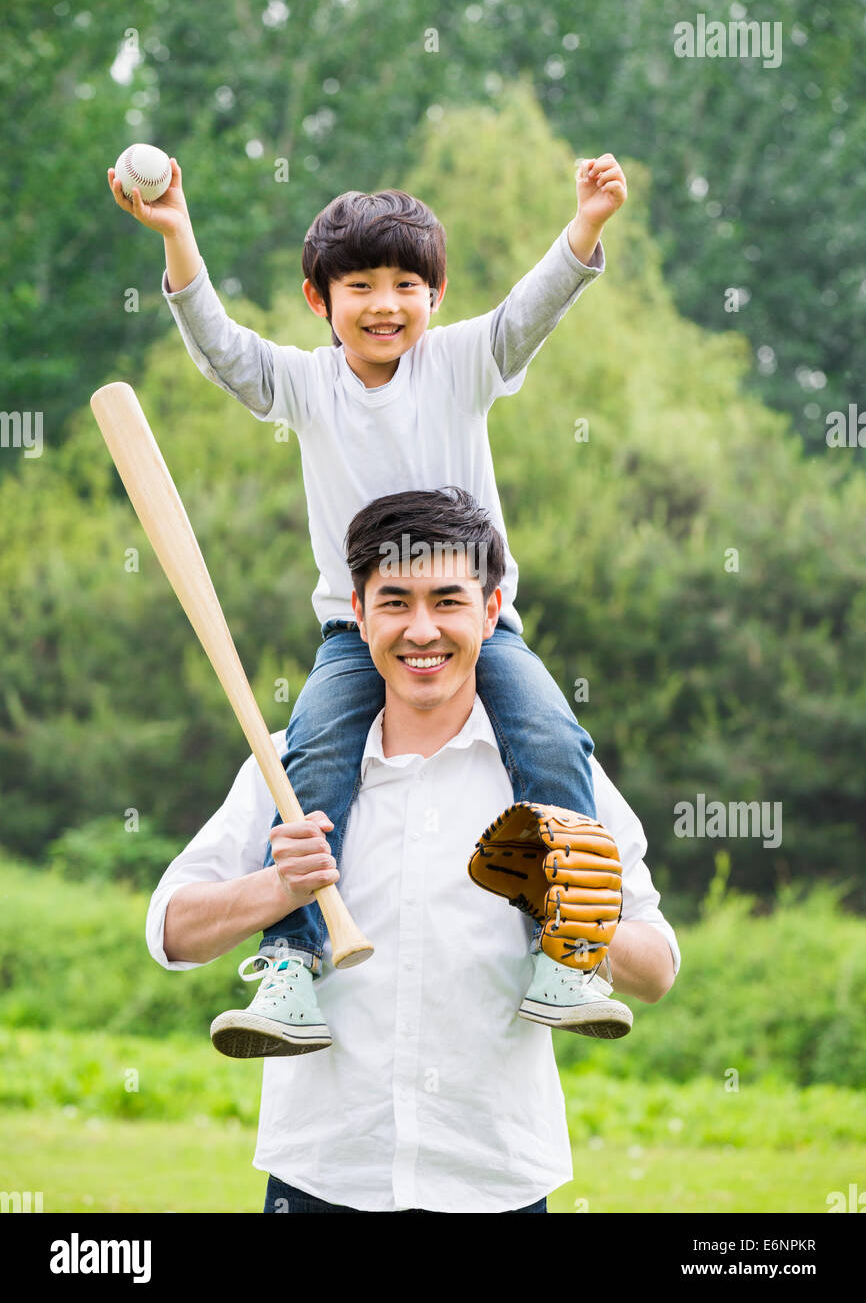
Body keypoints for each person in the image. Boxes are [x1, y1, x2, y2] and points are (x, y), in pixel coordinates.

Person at [111, 146, 630, 1054]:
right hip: (355, 637)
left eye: (405, 285)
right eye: (359, 286)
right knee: (309, 758)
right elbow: (223, 351)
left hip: (483, 628)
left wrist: (583, 228)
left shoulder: (463, 363)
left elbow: (530, 310)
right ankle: (291, 968)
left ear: (434, 296)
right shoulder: (308, 386)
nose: (384, 304)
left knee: (552, 738)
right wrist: (179, 236)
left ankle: (568, 953)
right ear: (321, 301)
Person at [146, 489, 680, 1214]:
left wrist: (572, 911)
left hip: (496, 1180)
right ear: (357, 614)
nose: (421, 630)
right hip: (323, 1177)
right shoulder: (289, 768)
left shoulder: (558, 780)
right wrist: (277, 889)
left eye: (448, 601)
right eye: (395, 602)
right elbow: (172, 931)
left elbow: (655, 971)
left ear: (491, 613)